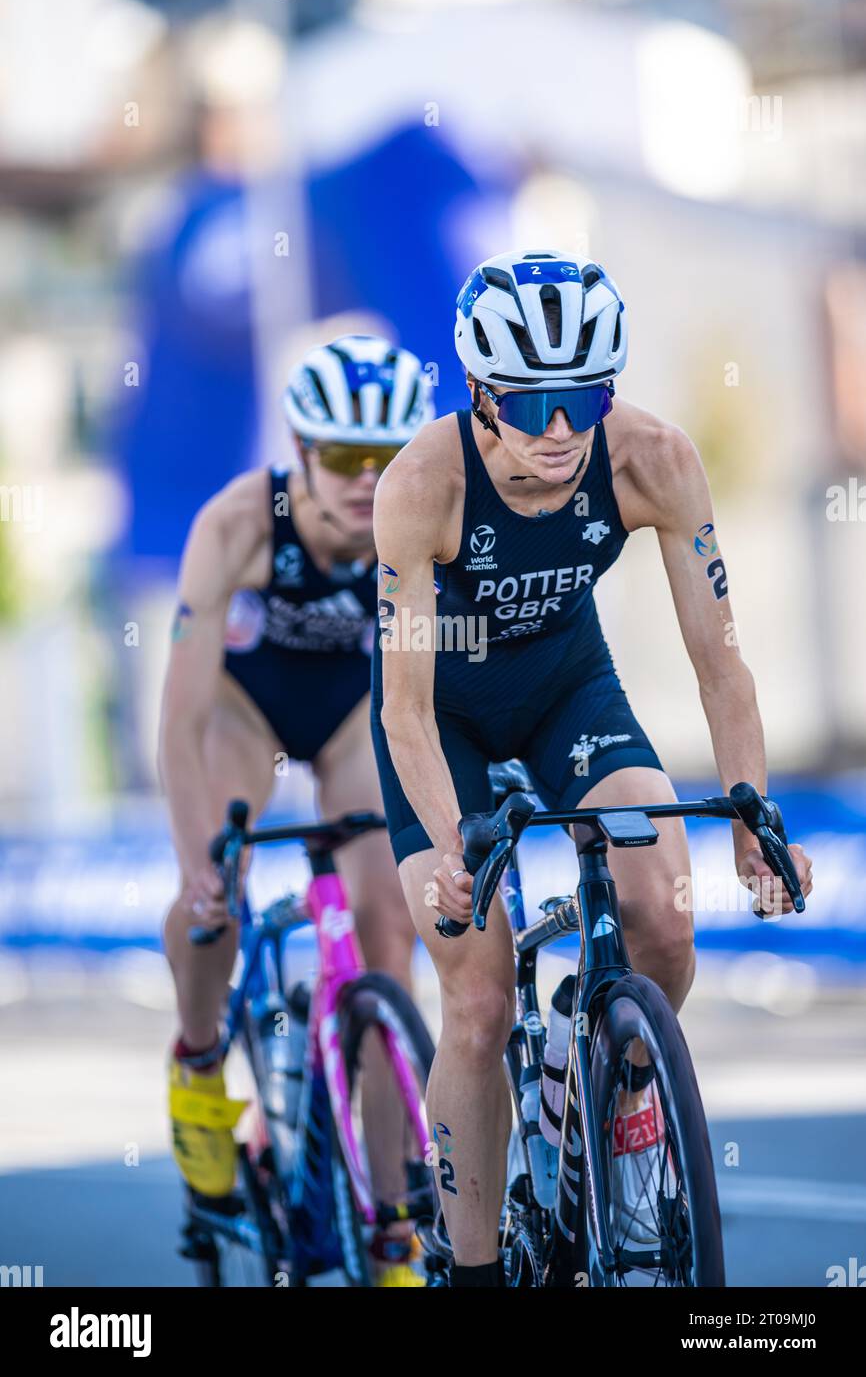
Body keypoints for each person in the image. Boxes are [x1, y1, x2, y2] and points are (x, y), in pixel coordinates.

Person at [371, 250, 813, 1286]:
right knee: (477, 996)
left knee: (661, 916)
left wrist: (751, 808)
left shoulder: (652, 458)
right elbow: (399, 708)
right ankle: (472, 1266)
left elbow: (719, 660)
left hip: (570, 693)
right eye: (530, 405)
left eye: (583, 396)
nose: (560, 429)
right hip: (445, 726)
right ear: (479, 396)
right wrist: (449, 844)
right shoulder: (420, 487)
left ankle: (590, 1099)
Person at [159, 334, 433, 1283]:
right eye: (345, 459)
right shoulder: (238, 522)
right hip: (245, 710)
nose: (368, 483)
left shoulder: (423, 506)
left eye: (387, 459)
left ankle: (393, 1222)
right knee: (215, 900)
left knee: (387, 918)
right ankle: (199, 1068)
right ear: (299, 448)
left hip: (355, 714)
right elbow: (181, 716)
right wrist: (201, 855)